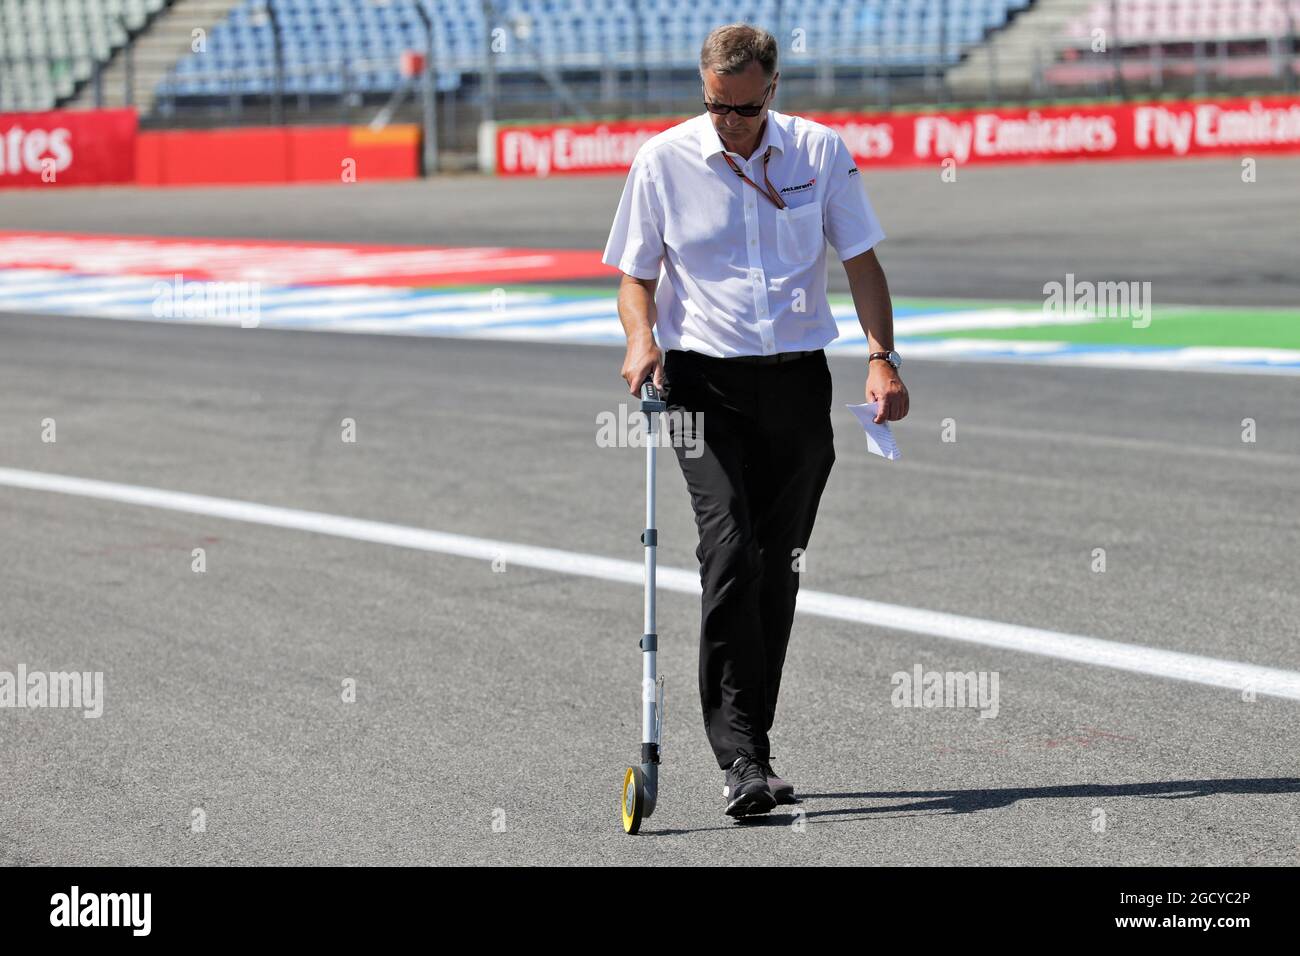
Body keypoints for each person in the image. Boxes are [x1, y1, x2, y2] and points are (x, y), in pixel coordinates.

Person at [603, 23, 909, 818]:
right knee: (729, 545)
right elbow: (635, 275)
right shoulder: (663, 161)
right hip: (701, 386)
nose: (726, 123)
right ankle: (737, 758)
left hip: (799, 387)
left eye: (741, 109)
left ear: (772, 89)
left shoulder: (820, 152)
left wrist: (883, 357)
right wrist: (642, 341)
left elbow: (862, 261)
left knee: (778, 566)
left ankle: (754, 751)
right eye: (713, 106)